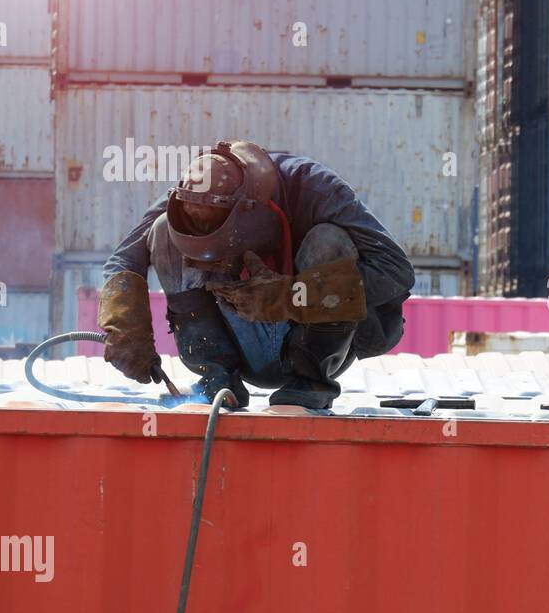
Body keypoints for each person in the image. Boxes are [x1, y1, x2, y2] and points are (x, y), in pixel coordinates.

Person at [97, 140, 415, 410]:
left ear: (255, 210)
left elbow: (396, 270)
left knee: (329, 240)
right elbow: (121, 263)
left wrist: (291, 296)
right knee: (163, 230)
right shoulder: (190, 196)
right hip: (241, 337)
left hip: (319, 340)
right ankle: (217, 376)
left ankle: (309, 385)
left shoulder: (314, 187)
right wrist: (126, 330)